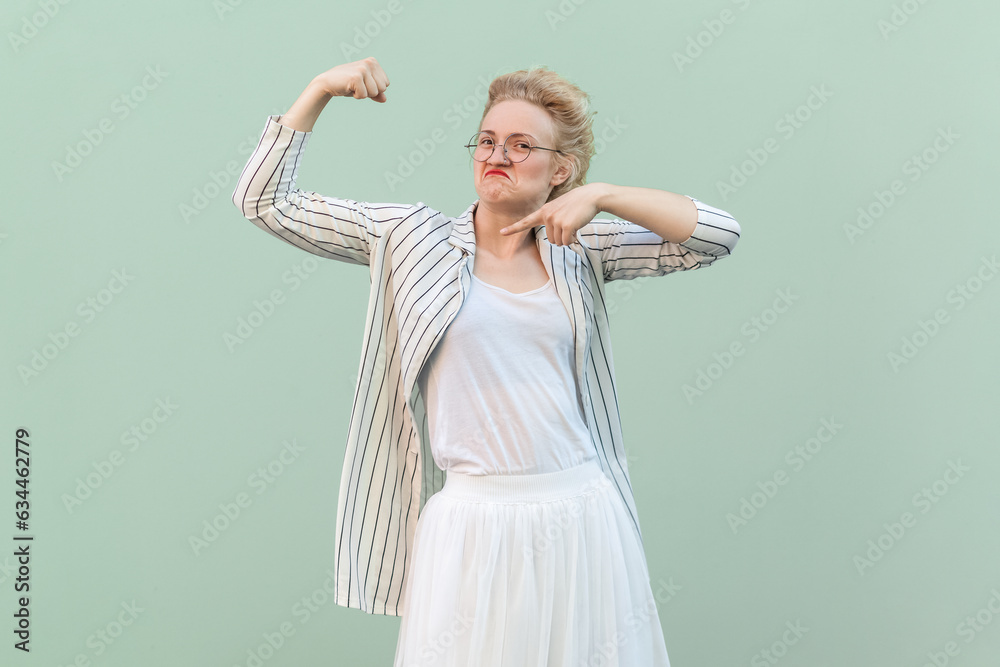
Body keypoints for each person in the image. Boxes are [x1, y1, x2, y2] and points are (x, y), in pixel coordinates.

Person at [232, 56, 741, 667]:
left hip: (580, 515)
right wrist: (318, 90)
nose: (497, 154)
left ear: (562, 170)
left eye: (523, 145)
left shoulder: (579, 248)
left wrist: (602, 197)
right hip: (470, 523)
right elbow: (263, 201)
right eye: (488, 140)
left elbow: (715, 235)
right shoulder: (410, 238)